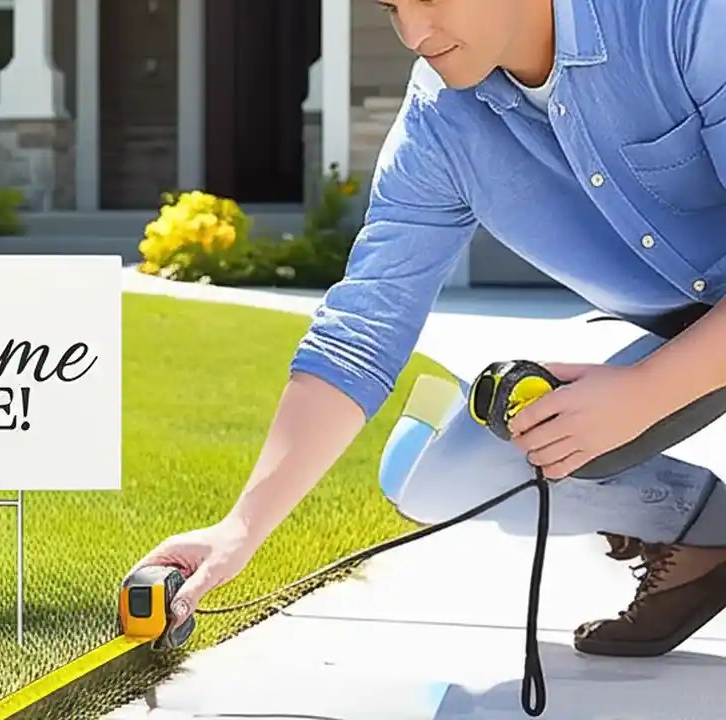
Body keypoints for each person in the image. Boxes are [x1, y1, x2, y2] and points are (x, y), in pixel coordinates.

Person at [130, 0, 726, 658]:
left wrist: (647, 392)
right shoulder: (441, 120)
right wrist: (237, 530)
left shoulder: (683, 19)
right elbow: (359, 332)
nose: (414, 33)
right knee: (436, 473)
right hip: (678, 328)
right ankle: (708, 536)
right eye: (390, 6)